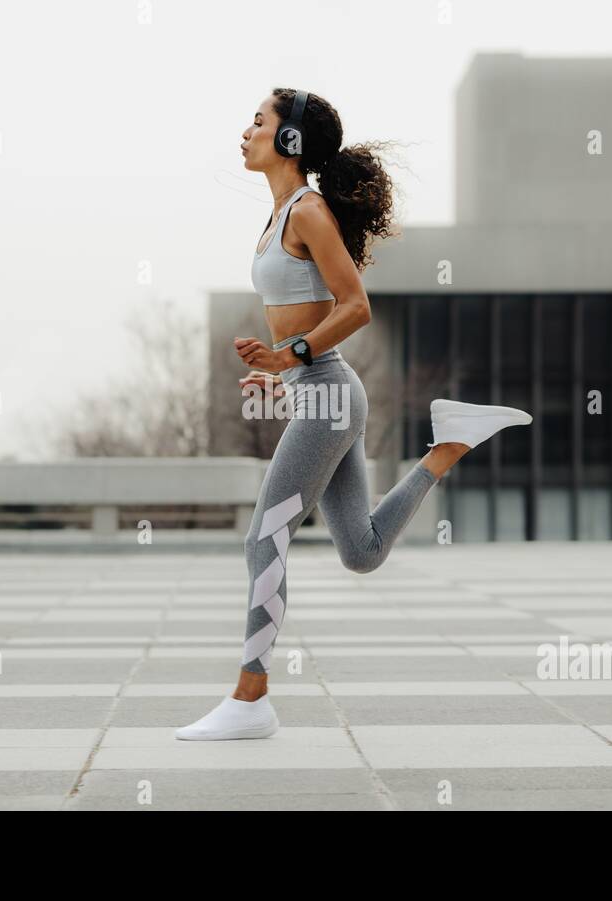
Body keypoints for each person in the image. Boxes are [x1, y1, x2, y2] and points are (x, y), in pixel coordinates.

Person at [176, 88, 530, 740]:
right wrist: (281, 359)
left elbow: (356, 305)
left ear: (289, 142)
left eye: (259, 121)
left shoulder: (307, 211)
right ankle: (446, 447)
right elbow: (306, 310)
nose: (246, 130)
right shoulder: (280, 214)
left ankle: (251, 697)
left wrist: (293, 355)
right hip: (318, 393)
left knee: (264, 538)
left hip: (328, 395)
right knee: (361, 551)